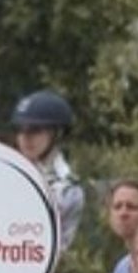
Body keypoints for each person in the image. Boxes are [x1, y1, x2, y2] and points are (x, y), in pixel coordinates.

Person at [10, 90, 84, 255]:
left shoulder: (67, 188)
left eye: (35, 130)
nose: (25, 137)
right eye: (20, 130)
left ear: (57, 133)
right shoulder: (6, 175)